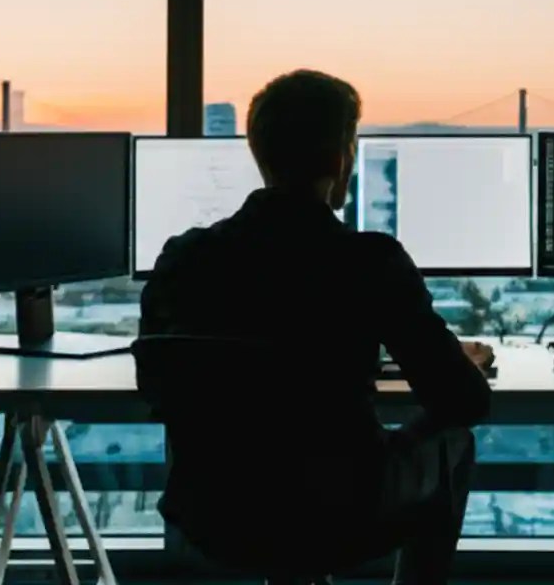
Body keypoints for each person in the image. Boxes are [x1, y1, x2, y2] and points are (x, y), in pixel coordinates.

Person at [136, 69, 494, 585]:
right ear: (340, 157)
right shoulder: (368, 261)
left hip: (217, 512)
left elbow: (160, 384)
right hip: (339, 513)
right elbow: (465, 403)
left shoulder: (184, 256)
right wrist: (454, 360)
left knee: (286, 475)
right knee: (454, 442)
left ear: (260, 154)